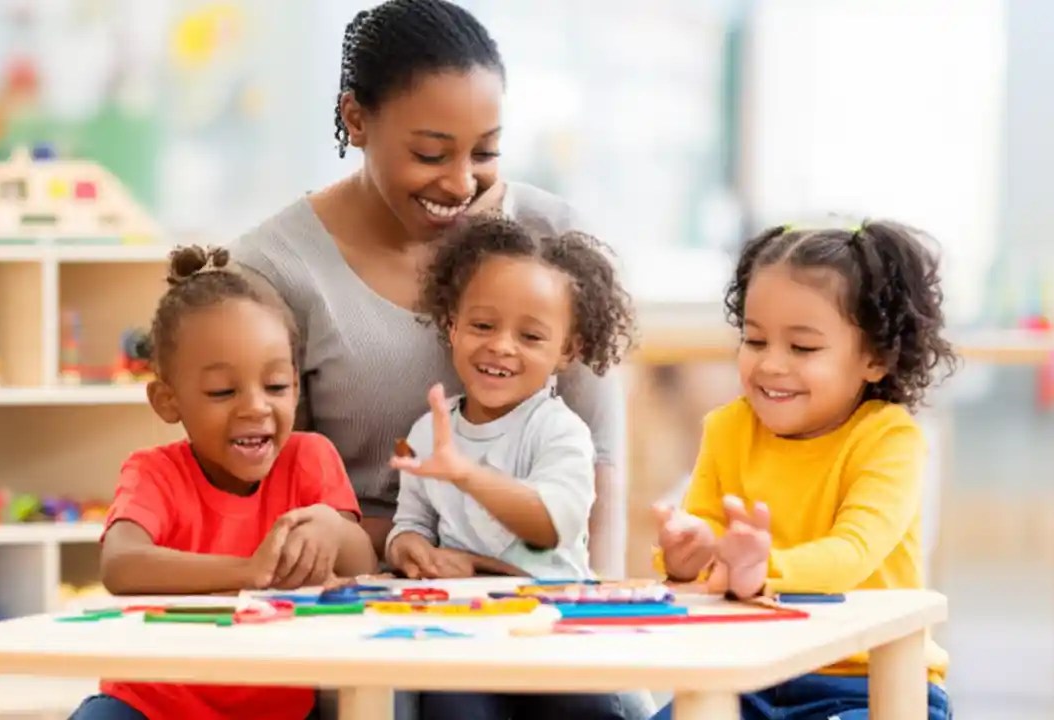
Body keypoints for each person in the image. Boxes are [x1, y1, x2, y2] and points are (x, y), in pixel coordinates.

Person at [229, 0, 626, 579]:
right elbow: (277, 486)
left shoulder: (553, 242)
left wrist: (601, 618)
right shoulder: (275, 270)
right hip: (352, 584)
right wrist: (398, 546)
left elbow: (601, 462)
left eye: (486, 151)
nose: (463, 182)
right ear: (357, 119)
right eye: (430, 154)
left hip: (542, 596)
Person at [650, 220, 958, 720]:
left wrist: (760, 569)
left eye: (803, 348)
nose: (771, 364)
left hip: (866, 684)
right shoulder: (726, 429)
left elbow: (851, 555)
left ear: (876, 358)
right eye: (754, 340)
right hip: (750, 675)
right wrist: (687, 557)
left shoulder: (889, 440)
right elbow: (706, 553)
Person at [67, 246, 378, 720]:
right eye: (222, 392)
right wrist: (246, 573)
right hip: (151, 705)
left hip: (279, 709)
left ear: (296, 384)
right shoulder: (154, 472)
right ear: (167, 401)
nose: (255, 407)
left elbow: (364, 566)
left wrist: (333, 530)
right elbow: (121, 565)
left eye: (276, 387)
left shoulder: (309, 458)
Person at [385, 216, 635, 720]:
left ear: (569, 350)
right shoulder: (428, 433)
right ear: (452, 325)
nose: (501, 346)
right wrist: (405, 547)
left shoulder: (559, 431)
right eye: (483, 325)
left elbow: (551, 526)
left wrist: (467, 475)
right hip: (465, 638)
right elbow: (411, 524)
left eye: (531, 336)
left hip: (555, 631)